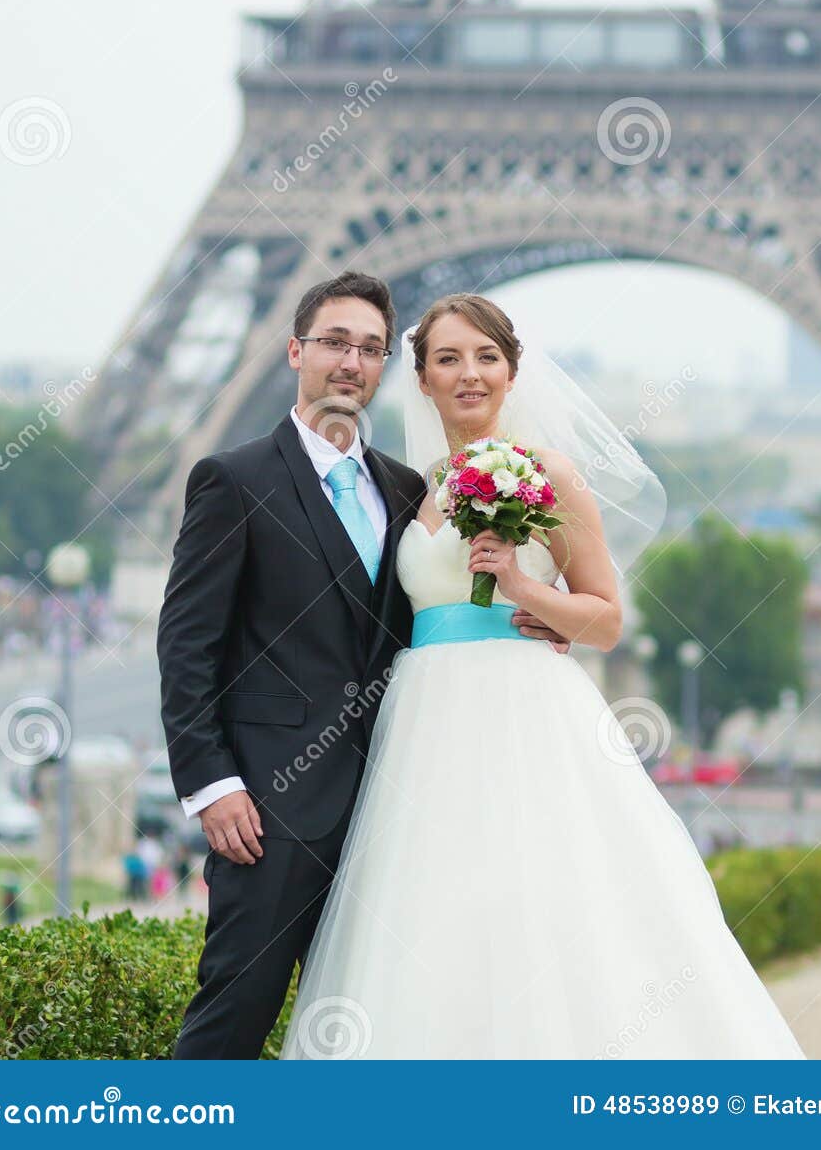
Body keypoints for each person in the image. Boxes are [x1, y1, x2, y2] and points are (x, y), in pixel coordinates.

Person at [279, 294, 807, 1060]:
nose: (469, 375)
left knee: (539, 901)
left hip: (521, 710)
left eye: (486, 357)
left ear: (513, 371)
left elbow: (608, 617)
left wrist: (524, 589)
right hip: (423, 722)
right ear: (420, 380)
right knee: (432, 912)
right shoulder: (410, 487)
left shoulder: (546, 472)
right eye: (448, 360)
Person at [157, 272, 567, 1059]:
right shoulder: (233, 480)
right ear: (294, 352)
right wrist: (212, 784)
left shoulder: (412, 489)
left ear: (386, 367)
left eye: (370, 348)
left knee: (377, 1030)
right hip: (270, 809)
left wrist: (538, 618)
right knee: (233, 1013)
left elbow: (438, 612)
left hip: (400, 802)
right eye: (335, 343)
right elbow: (186, 645)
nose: (351, 361)